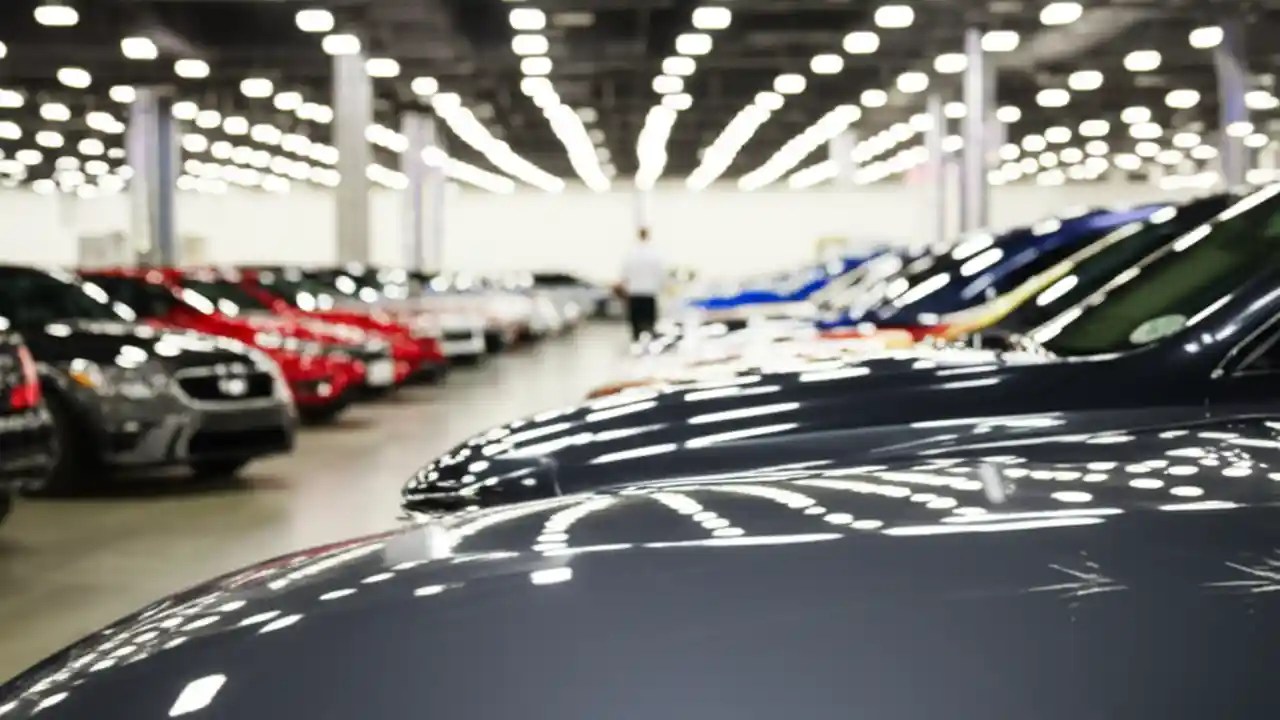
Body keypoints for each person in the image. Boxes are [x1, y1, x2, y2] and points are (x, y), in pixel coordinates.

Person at [619, 227, 665, 341]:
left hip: (634, 292)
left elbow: (624, 274)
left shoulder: (630, 254)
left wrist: (626, 288)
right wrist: (659, 287)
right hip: (649, 292)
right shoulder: (654, 254)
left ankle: (636, 340)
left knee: (636, 321)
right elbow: (660, 273)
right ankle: (650, 340)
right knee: (649, 320)